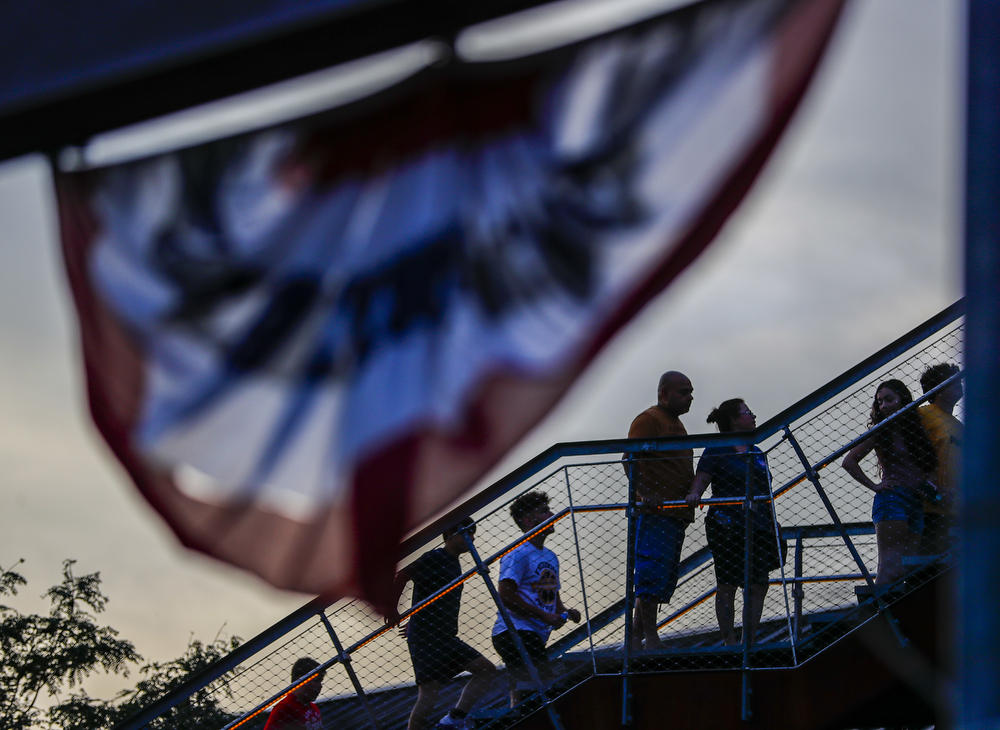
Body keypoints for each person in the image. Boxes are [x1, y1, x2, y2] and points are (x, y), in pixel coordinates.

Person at [387, 518, 497, 730]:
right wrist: (393, 609)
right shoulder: (436, 557)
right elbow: (403, 575)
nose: (471, 537)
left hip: (445, 636)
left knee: (486, 670)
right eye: (466, 532)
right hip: (427, 638)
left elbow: (427, 593)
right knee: (429, 694)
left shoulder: (453, 562)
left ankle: (455, 718)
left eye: (472, 533)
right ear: (450, 535)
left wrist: (414, 619)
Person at [686, 400, 780, 646]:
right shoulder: (717, 449)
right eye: (747, 413)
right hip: (726, 526)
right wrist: (695, 493)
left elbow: (766, 491)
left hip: (758, 524)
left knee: (758, 583)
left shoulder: (756, 451)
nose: (753, 416)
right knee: (728, 582)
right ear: (734, 420)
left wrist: (772, 524)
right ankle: (729, 640)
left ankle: (748, 639)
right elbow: (702, 478)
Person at [842, 379, 938, 586]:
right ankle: (876, 614)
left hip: (916, 503)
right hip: (893, 500)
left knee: (907, 569)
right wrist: (874, 486)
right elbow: (849, 461)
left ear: (902, 399)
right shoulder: (881, 430)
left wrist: (929, 482)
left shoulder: (916, 429)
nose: (883, 406)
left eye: (889, 400)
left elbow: (930, 466)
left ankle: (896, 616)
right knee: (890, 566)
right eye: (879, 402)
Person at [626, 371, 696, 649]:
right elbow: (629, 458)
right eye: (683, 392)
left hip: (675, 513)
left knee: (661, 578)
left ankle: (635, 637)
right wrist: (645, 494)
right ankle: (651, 636)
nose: (690, 397)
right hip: (657, 514)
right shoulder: (649, 420)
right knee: (650, 574)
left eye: (691, 392)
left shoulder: (676, 423)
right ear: (664, 394)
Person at [491, 491, 580, 706]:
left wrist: (562, 611)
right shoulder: (518, 553)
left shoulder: (550, 556)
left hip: (534, 633)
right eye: (543, 511)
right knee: (543, 685)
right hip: (514, 631)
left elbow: (551, 590)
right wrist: (544, 616)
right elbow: (505, 595)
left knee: (525, 686)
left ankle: (516, 710)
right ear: (528, 520)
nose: (551, 514)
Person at [918, 363, 963, 555]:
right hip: (928, 511)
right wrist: (935, 494)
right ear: (936, 387)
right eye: (951, 380)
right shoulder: (923, 414)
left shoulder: (960, 426)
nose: (958, 383)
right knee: (927, 573)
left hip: (957, 512)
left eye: (959, 380)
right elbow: (909, 458)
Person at [263, 657, 324, 730]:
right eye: (316, 680)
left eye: (320, 681)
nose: (320, 686)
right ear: (301, 679)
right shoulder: (285, 708)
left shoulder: (313, 708)